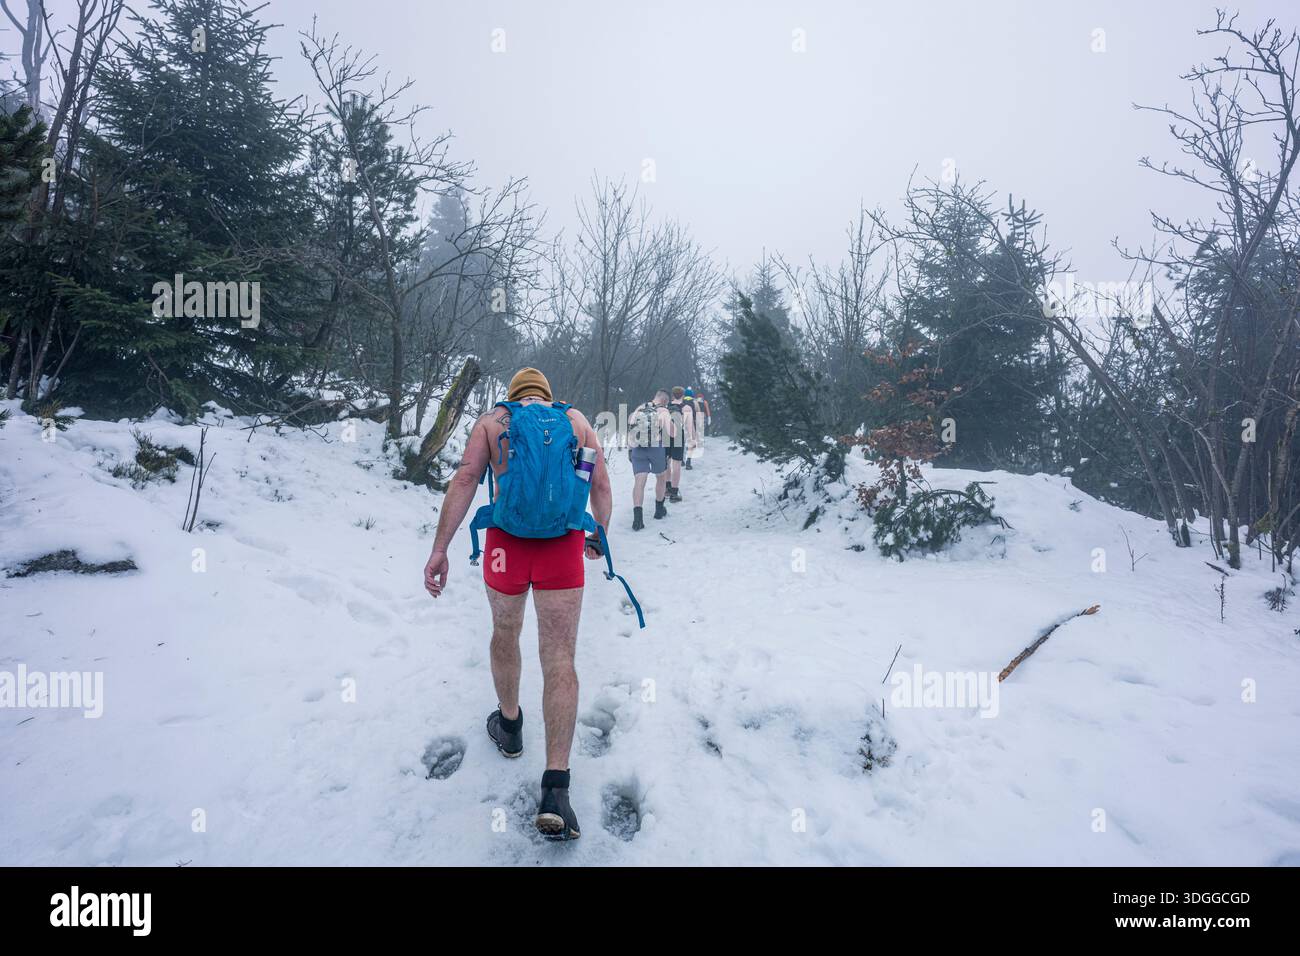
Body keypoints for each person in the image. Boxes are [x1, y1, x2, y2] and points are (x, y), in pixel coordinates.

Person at [424, 367, 611, 841]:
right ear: (548, 395)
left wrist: (441, 548)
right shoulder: (577, 422)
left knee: (505, 634)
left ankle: (509, 727)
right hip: (562, 547)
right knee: (559, 658)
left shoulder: (492, 422)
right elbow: (600, 486)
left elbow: (467, 477)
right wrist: (599, 537)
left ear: (513, 395)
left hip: (506, 545)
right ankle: (556, 790)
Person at [626, 389, 672, 529]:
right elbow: (672, 433)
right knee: (661, 477)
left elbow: (630, 428)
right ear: (665, 401)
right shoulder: (663, 411)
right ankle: (659, 510)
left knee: (639, 482)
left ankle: (637, 520)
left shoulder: (640, 408)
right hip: (656, 448)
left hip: (638, 447)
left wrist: (630, 449)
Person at [665, 386, 695, 500]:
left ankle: (667, 488)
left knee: (666, 461)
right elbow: (690, 425)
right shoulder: (686, 407)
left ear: (672, 395)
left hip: (666, 434)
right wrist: (693, 439)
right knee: (676, 464)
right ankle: (674, 493)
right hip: (678, 434)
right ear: (683, 395)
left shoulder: (666, 406)